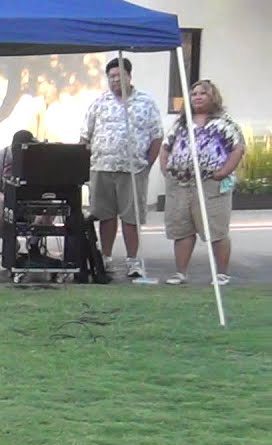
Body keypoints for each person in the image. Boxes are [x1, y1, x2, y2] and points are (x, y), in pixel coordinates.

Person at [80, 58, 163, 279]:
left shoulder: (146, 102)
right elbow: (84, 136)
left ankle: (133, 261)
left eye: (120, 75)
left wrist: (147, 165)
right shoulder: (99, 102)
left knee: (131, 218)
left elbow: (157, 136)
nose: (116, 80)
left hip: (133, 170)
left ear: (129, 76)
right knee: (105, 216)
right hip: (101, 168)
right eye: (111, 77)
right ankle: (105, 259)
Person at [160, 80, 245, 286]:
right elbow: (165, 147)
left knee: (216, 229)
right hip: (180, 185)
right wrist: (166, 170)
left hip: (210, 185)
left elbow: (238, 148)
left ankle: (221, 274)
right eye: (194, 93)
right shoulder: (181, 123)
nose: (197, 97)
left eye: (203, 93)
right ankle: (181, 273)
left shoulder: (224, 123)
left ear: (212, 97)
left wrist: (223, 172)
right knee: (182, 230)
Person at [0, 130, 38, 236]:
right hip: (6, 203)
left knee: (48, 212)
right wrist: (9, 199)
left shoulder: (37, 157)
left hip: (32, 203)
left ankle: (34, 243)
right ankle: (10, 243)